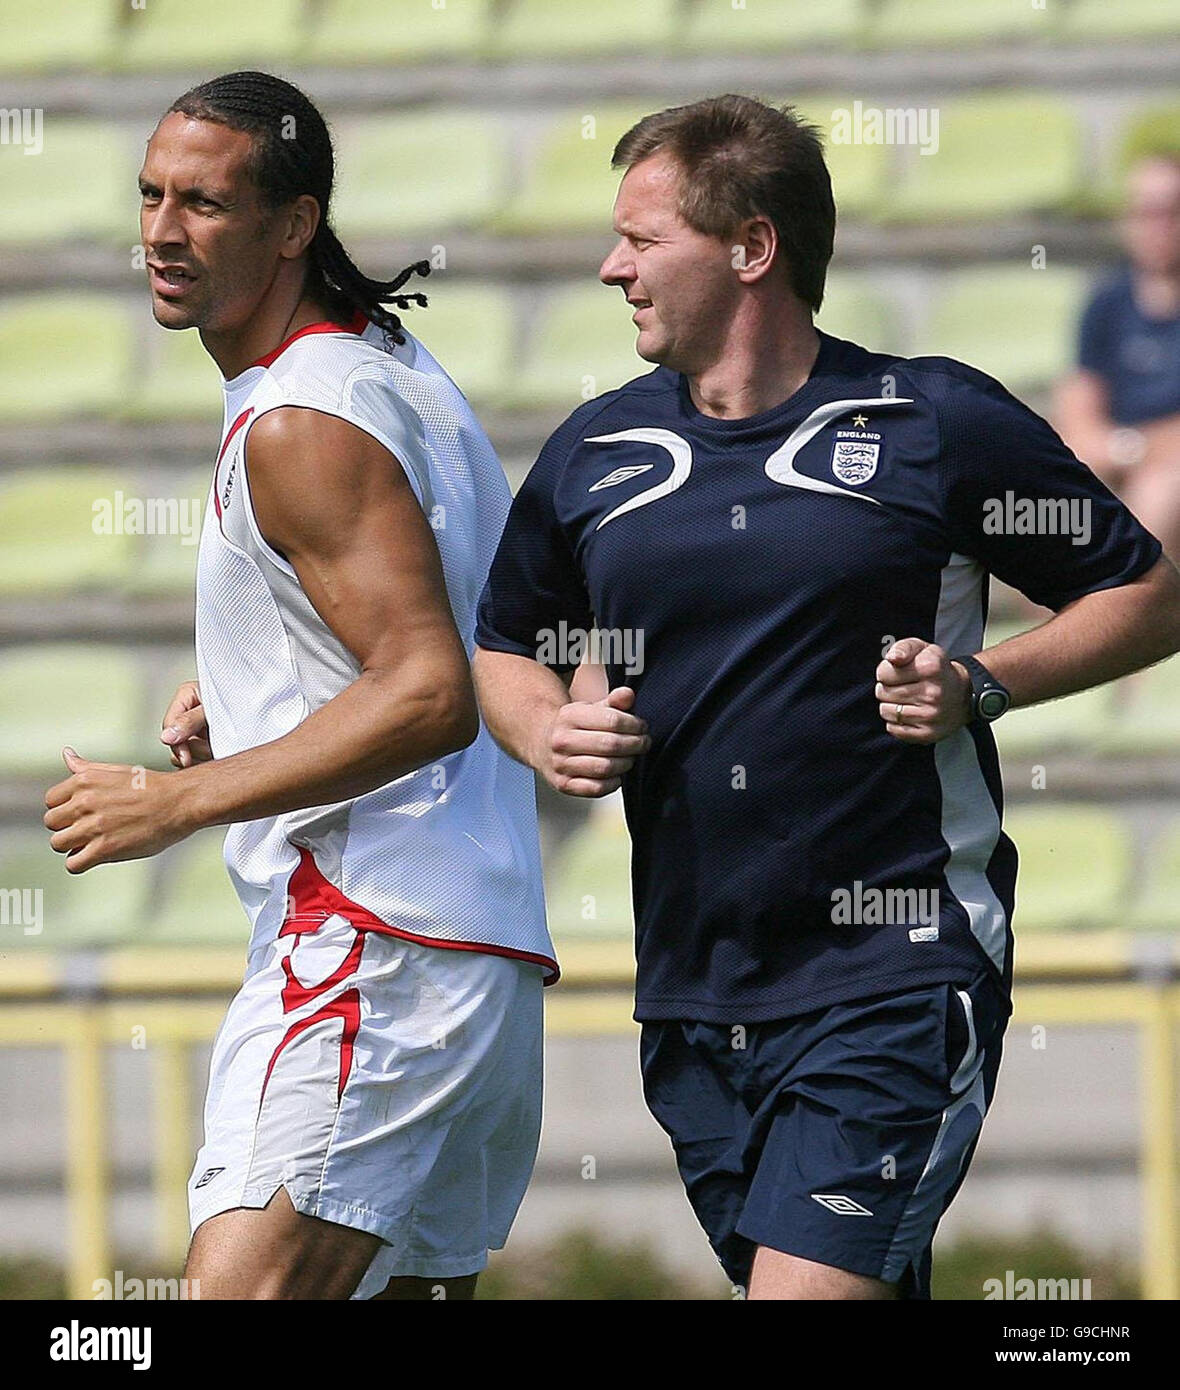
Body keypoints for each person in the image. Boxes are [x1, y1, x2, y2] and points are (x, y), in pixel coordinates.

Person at [471, 94, 1180, 1300]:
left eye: (642, 241)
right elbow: (503, 645)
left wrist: (981, 682)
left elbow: (1148, 594)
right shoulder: (595, 453)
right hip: (695, 992)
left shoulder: (932, 420)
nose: (611, 268)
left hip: (894, 970)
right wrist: (550, 728)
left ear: (751, 248)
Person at [42, 71, 555, 1300]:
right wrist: (255, 679)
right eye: (152, 196)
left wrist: (179, 805)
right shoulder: (386, 363)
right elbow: (426, 620)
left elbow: (429, 691)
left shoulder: (300, 419)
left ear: (293, 225)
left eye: (206, 204)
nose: (163, 232)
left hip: (369, 942)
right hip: (466, 955)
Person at [1055, 151, 1180, 558]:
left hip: (1162, 479)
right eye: (1145, 212)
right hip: (1118, 466)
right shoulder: (1106, 303)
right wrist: (1129, 451)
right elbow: (1077, 412)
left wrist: (1133, 452)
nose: (1158, 227)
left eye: (1170, 211)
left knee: (1163, 488)